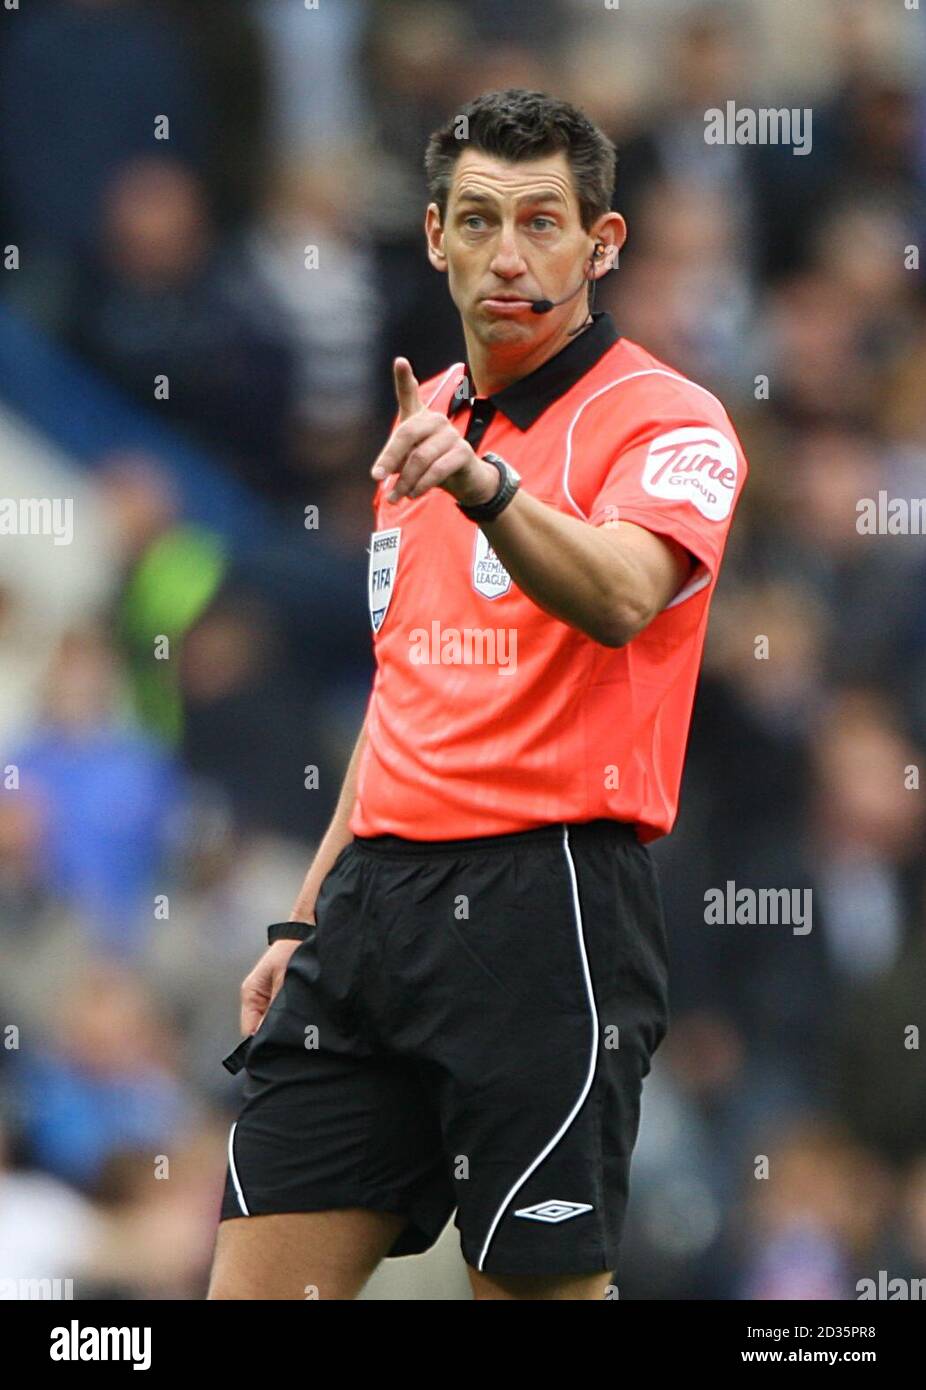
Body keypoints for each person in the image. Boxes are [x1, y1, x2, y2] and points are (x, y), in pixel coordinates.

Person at [208, 88, 748, 1302]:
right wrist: (304, 911)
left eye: (544, 221)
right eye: (480, 220)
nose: (510, 254)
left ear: (600, 244)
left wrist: (488, 488)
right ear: (434, 235)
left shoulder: (666, 418)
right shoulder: (425, 425)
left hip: (544, 902)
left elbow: (619, 592)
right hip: (371, 913)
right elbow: (406, 693)